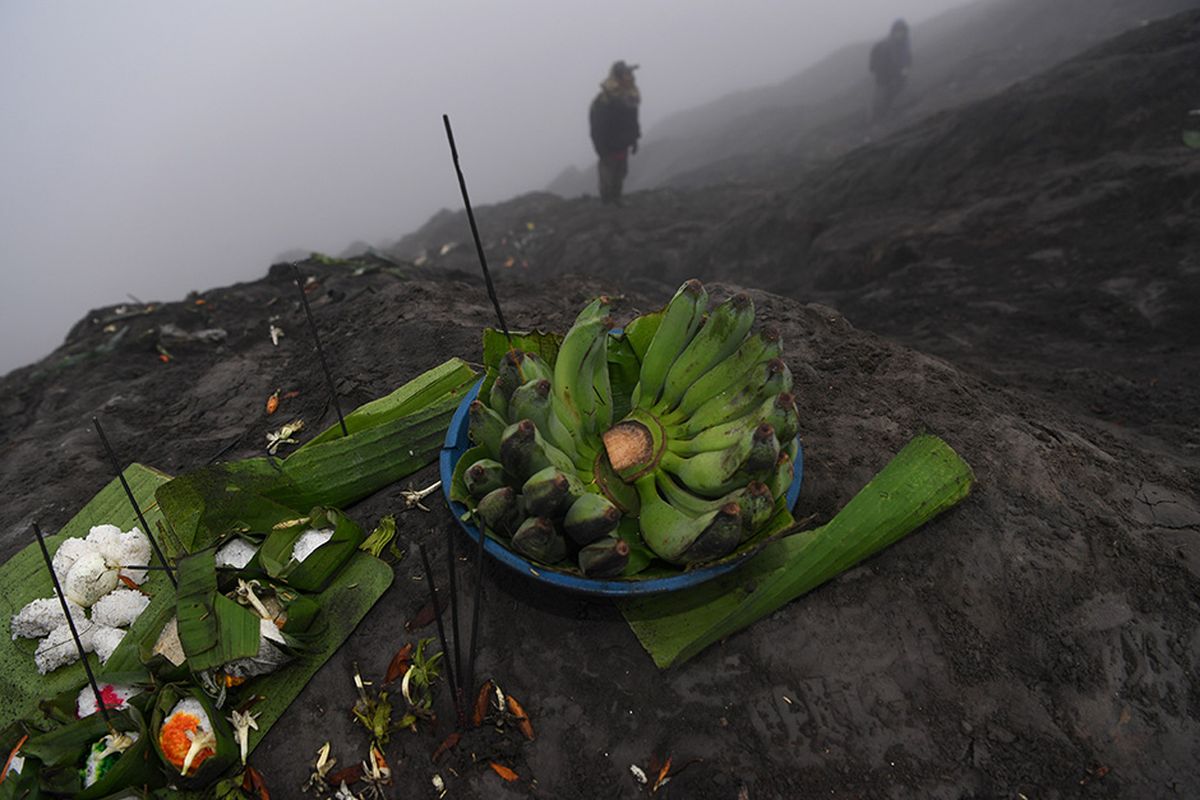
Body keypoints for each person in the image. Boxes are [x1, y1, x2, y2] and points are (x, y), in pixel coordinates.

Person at [589, 61, 641, 206]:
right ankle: (607, 205)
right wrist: (601, 149)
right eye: (627, 74)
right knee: (608, 178)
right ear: (618, 77)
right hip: (609, 147)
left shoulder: (630, 96)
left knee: (620, 174)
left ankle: (617, 200)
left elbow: (632, 119)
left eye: (630, 74)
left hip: (622, 145)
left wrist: (634, 139)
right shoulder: (604, 100)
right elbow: (597, 127)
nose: (630, 77)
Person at [869, 19, 912, 122]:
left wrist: (906, 68)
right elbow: (883, 62)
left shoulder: (904, 44)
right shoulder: (888, 45)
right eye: (898, 31)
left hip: (897, 75)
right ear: (893, 32)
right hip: (884, 76)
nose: (900, 34)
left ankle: (884, 115)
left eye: (902, 31)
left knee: (891, 94)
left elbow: (908, 57)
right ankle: (875, 119)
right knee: (881, 98)